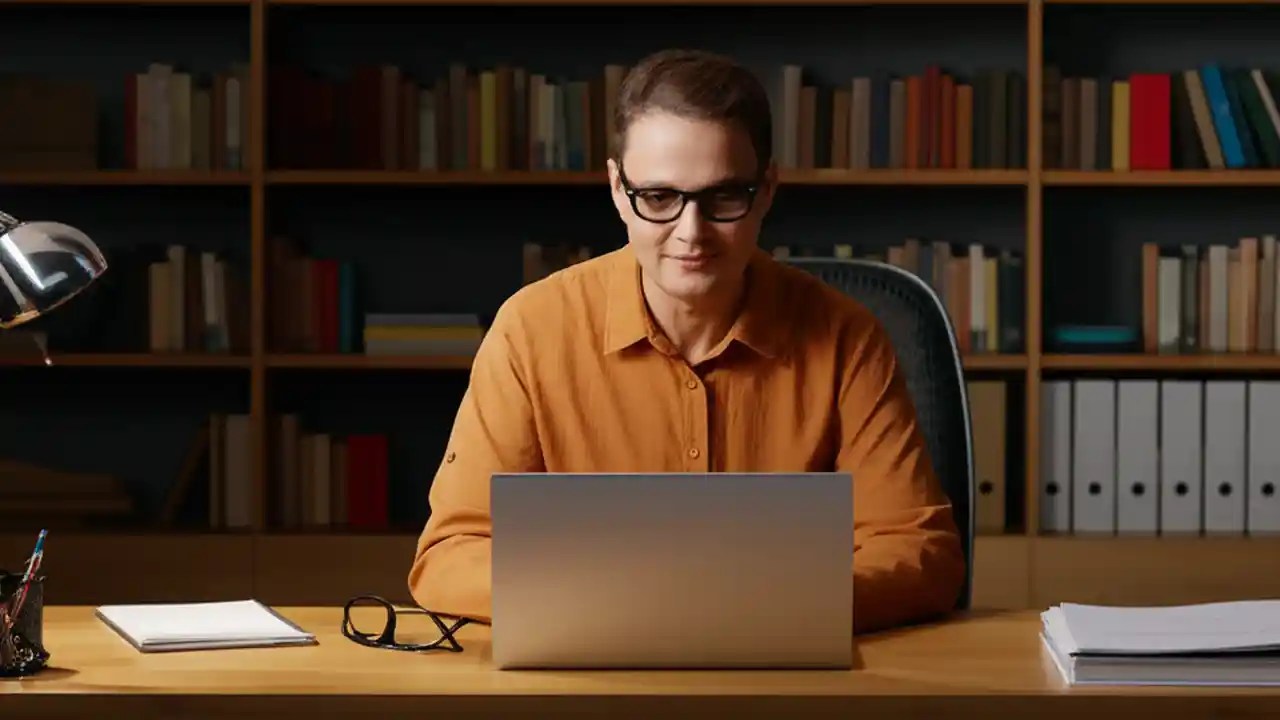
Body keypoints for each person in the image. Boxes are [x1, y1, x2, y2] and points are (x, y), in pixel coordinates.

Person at [407, 48, 964, 635]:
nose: (691, 233)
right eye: (659, 198)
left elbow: (920, 553)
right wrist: (622, 603)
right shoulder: (530, 331)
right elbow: (449, 556)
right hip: (591, 673)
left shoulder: (848, 337)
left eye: (724, 197)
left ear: (768, 188)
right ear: (619, 191)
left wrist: (764, 605)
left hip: (785, 677)